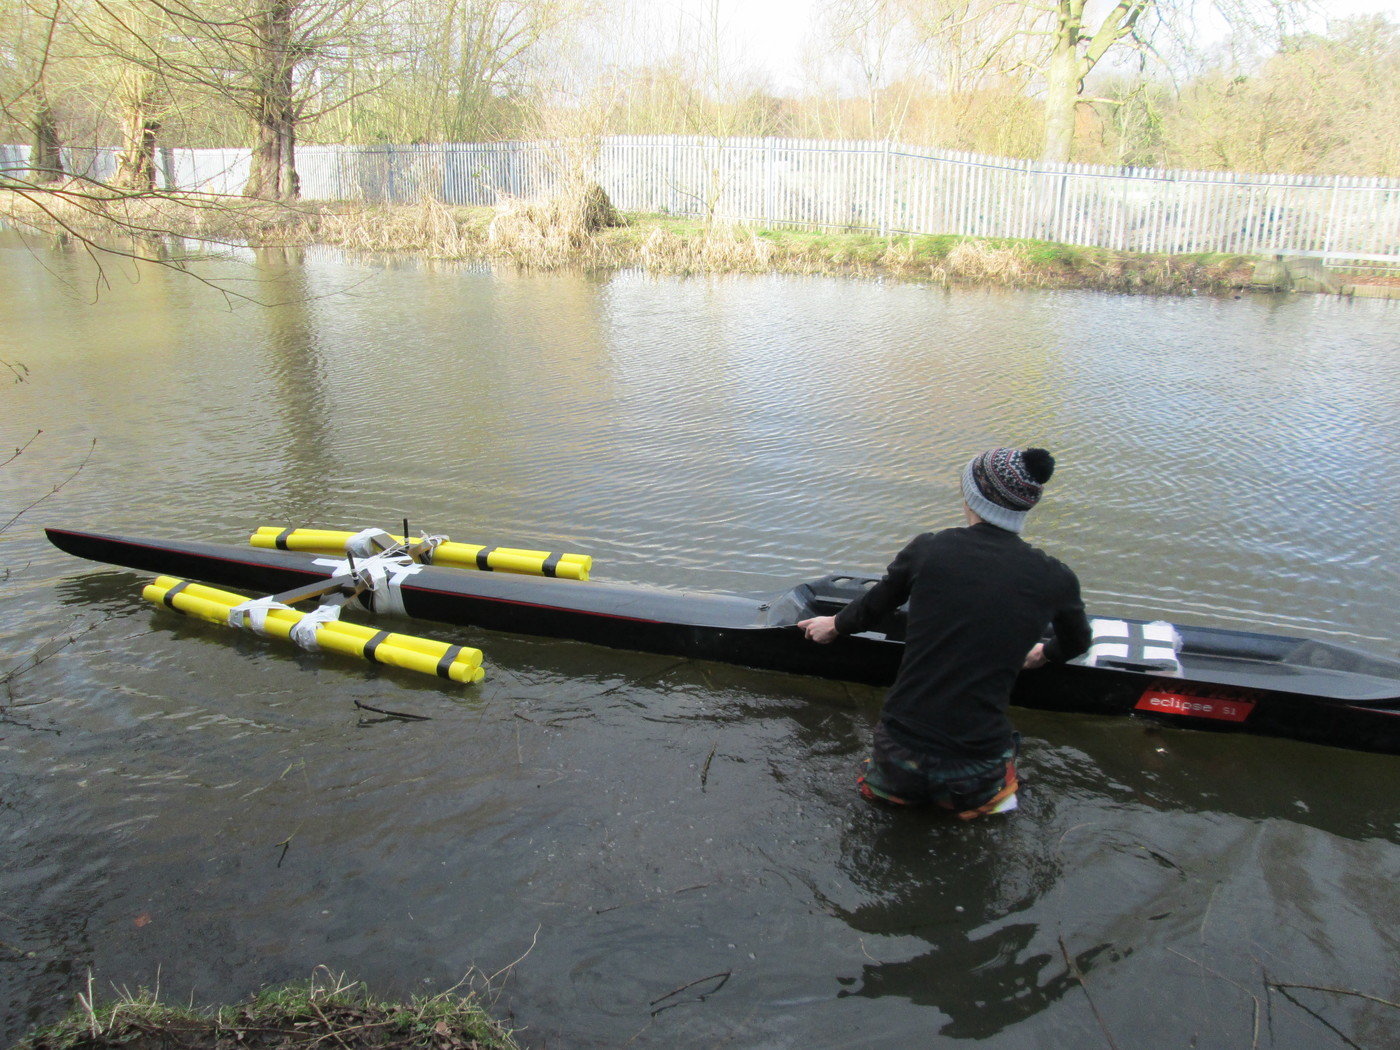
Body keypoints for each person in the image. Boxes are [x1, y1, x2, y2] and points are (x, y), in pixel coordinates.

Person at [798, 447, 1091, 818]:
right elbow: (1079, 642)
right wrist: (1043, 653)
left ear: (970, 495)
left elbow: (876, 605)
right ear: (1026, 507)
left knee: (884, 806)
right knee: (994, 798)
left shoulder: (929, 551)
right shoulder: (1056, 578)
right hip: (977, 766)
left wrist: (834, 626)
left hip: (901, 754)